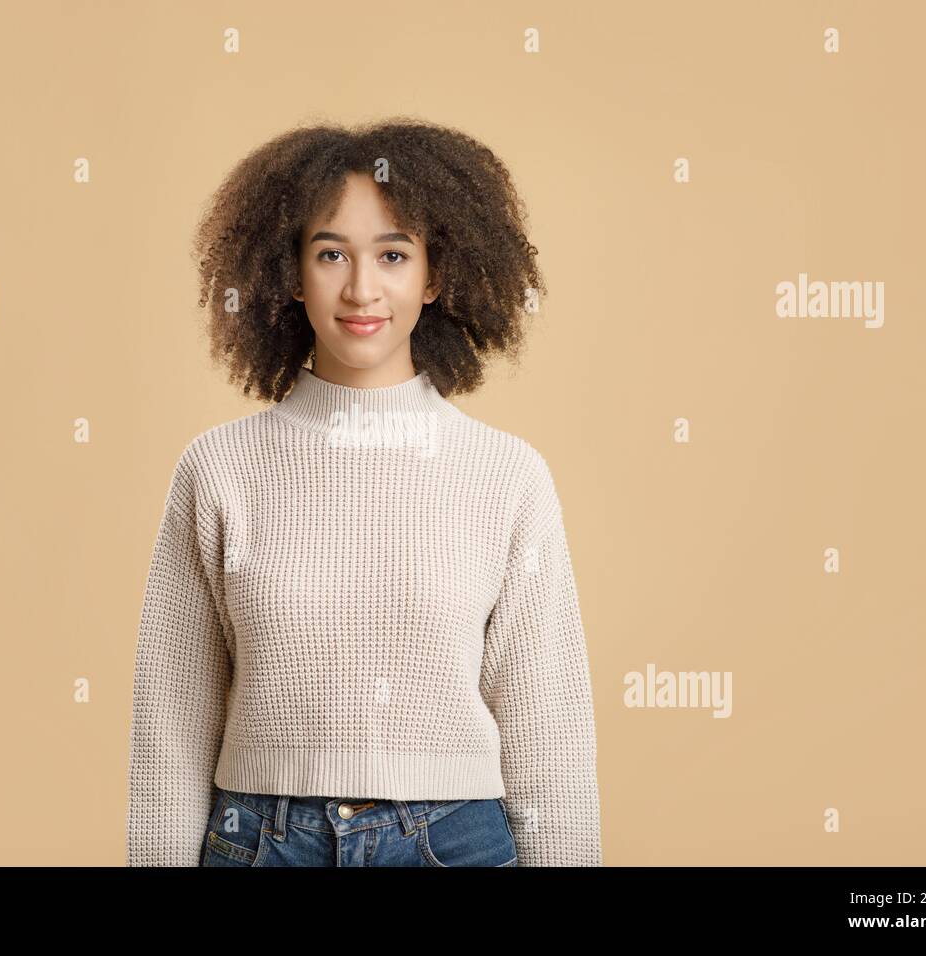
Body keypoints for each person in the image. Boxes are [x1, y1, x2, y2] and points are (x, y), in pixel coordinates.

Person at [125, 118, 602, 867]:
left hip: (455, 842)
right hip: (261, 844)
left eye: (393, 254)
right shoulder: (217, 471)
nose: (361, 288)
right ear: (290, 272)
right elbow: (171, 723)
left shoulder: (507, 477)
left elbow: (550, 729)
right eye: (329, 254)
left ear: (434, 275)